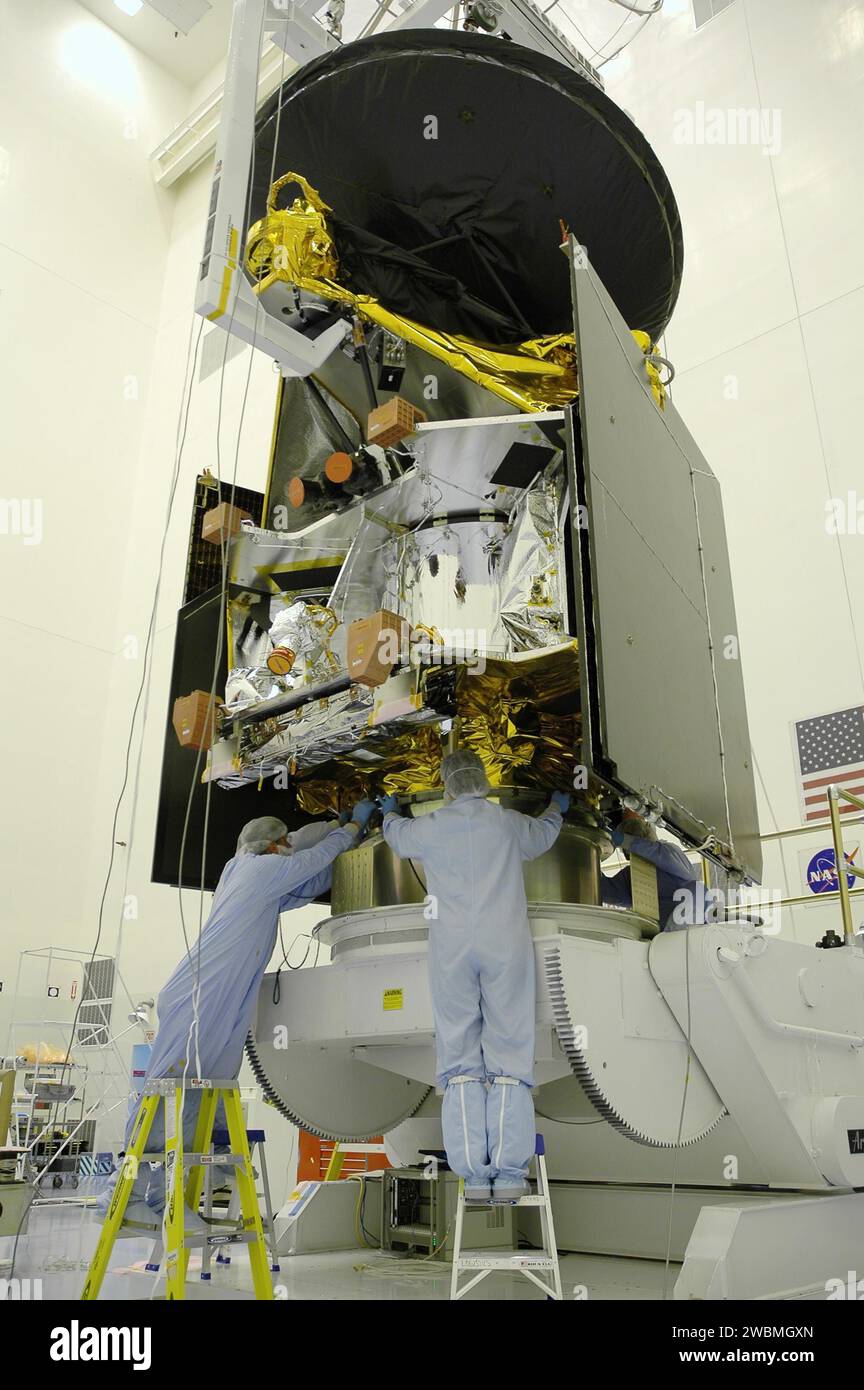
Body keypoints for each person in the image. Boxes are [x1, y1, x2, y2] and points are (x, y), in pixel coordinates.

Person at [105, 803, 375, 1229]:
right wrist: (353, 827)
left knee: (199, 1092)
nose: (288, 845)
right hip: (199, 997)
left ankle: (166, 1201)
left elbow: (310, 875)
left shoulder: (249, 871)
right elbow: (311, 857)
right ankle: (126, 1194)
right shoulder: (257, 871)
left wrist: (339, 829)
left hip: (224, 999)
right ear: (272, 846)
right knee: (166, 1091)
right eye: (283, 841)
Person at [380, 751, 568, 1203]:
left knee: (459, 1057)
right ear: (483, 781)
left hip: (452, 950)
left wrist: (387, 813)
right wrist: (558, 808)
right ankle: (506, 1176)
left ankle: (472, 1176)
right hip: (505, 945)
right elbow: (542, 836)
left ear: (447, 785)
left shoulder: (432, 826)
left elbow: (398, 839)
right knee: (509, 1052)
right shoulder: (505, 823)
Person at [601, 811, 704, 930]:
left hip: (690, 925)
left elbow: (652, 850)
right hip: (661, 938)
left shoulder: (670, 851)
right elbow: (602, 889)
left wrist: (622, 840)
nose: (626, 854)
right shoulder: (632, 876)